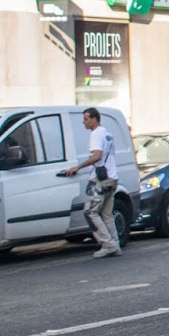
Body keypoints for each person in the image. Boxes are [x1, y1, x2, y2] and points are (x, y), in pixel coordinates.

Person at [60, 107, 120, 258]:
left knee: (90, 212)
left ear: (94, 119)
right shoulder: (107, 133)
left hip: (101, 179)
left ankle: (108, 244)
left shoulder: (96, 134)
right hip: (112, 177)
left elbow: (97, 156)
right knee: (107, 214)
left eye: (86, 119)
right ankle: (115, 244)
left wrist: (78, 167)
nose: (83, 122)